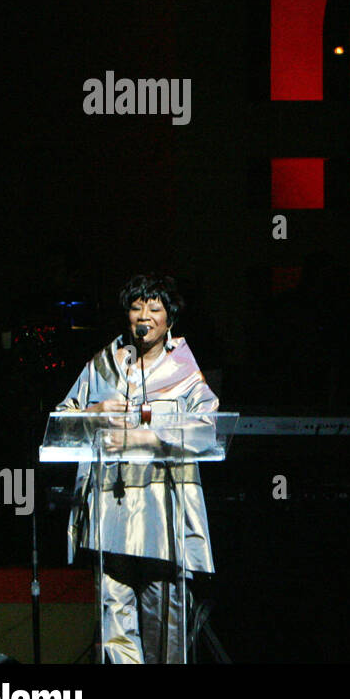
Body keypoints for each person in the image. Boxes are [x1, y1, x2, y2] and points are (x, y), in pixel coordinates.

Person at [56, 274, 218, 663]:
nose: (144, 316)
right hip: (111, 511)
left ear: (169, 319)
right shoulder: (103, 365)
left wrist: (147, 438)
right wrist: (93, 413)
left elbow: (209, 427)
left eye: (154, 308)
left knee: (164, 617)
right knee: (114, 618)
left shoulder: (184, 370)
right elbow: (63, 419)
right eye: (136, 307)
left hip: (161, 516)